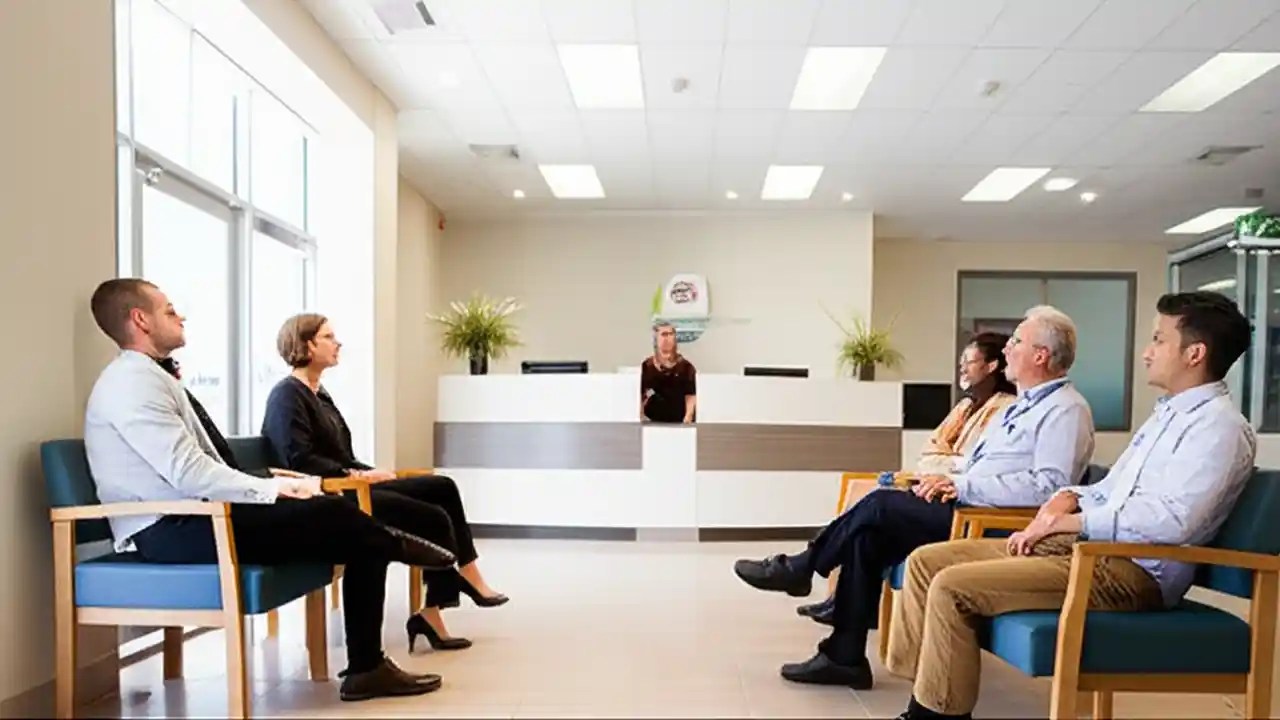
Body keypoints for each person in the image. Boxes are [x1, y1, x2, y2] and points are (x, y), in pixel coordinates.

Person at [884, 291, 1255, 720]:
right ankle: (926, 692)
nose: (1146, 352)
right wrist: (1071, 498)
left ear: (1195, 353)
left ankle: (934, 714)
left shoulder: (1219, 428)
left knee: (952, 586)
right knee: (926, 562)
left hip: (1132, 571)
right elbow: (1113, 489)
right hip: (1094, 550)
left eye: (1158, 340)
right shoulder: (1167, 417)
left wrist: (1073, 524)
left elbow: (1174, 521)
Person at [83, 278, 453, 702]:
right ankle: (386, 578)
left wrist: (280, 486)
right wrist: (272, 489)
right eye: (169, 310)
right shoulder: (132, 383)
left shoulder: (149, 376)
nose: (179, 315)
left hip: (197, 514)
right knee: (341, 519)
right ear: (140, 320)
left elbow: (201, 468)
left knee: (345, 520)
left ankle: (370, 649)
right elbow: (188, 472)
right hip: (172, 528)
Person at [733, 305, 1094, 690]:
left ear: (1041, 355)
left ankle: (802, 567)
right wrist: (944, 479)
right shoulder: (1021, 405)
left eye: (1017, 341)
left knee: (879, 504)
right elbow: (982, 467)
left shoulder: (1066, 410)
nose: (1007, 348)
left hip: (994, 525)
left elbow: (1049, 488)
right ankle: (843, 656)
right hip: (966, 508)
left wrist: (963, 487)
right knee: (867, 536)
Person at [262, 313, 507, 654]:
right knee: (432, 516)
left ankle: (465, 573)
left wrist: (370, 471)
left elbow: (343, 456)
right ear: (307, 345)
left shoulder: (319, 395)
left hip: (350, 483)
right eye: (329, 337)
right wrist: (356, 475)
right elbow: (298, 460)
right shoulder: (286, 395)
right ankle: (435, 611)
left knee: (441, 486)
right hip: (332, 497)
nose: (338, 343)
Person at [796, 332, 1018, 625]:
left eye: (969, 361)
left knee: (875, 502)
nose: (962, 368)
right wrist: (943, 462)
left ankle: (809, 569)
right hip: (937, 483)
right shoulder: (965, 406)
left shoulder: (1005, 407)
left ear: (991, 366)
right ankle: (842, 599)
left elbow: (969, 462)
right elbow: (931, 450)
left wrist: (943, 463)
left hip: (959, 498)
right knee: (863, 501)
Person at [641, 322, 697, 423]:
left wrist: (688, 417)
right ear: (656, 339)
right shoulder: (647, 366)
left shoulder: (686, 367)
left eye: (671, 334)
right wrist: (641, 416)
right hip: (652, 421)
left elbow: (691, 395)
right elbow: (641, 394)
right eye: (664, 334)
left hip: (679, 421)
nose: (667, 338)